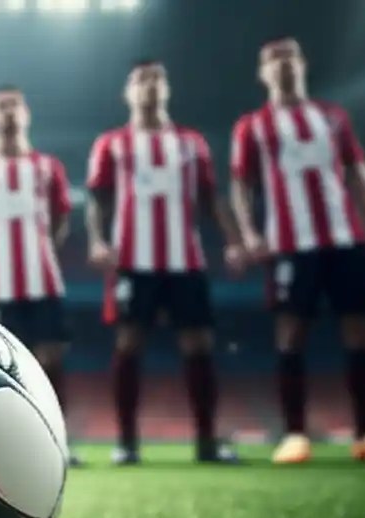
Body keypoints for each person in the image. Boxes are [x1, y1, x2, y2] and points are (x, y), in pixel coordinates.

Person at [229, 37, 365, 463]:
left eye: (290, 56)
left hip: (346, 238)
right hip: (290, 245)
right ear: (262, 73)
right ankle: (295, 435)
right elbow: (241, 185)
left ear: (303, 64)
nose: (283, 63)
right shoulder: (252, 126)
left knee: (362, 331)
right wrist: (249, 233)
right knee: (291, 333)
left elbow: (359, 171)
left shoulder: (332, 117)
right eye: (273, 59)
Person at [86, 61, 245, 465]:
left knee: (199, 344)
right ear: (128, 92)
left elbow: (211, 199)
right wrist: (98, 240)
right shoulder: (112, 143)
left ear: (167, 88)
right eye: (141, 80)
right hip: (132, 262)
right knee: (128, 344)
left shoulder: (192, 142)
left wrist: (233, 241)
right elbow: (97, 199)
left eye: (157, 78)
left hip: (185, 261)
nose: (150, 85)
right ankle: (126, 443)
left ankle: (207, 442)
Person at [0, 84, 83, 466]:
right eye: (1, 106)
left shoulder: (48, 168)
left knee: (52, 359)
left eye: (15, 106)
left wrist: (41, 249)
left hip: (43, 280)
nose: (8, 112)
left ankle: (57, 443)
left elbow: (61, 217)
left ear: (27, 115)